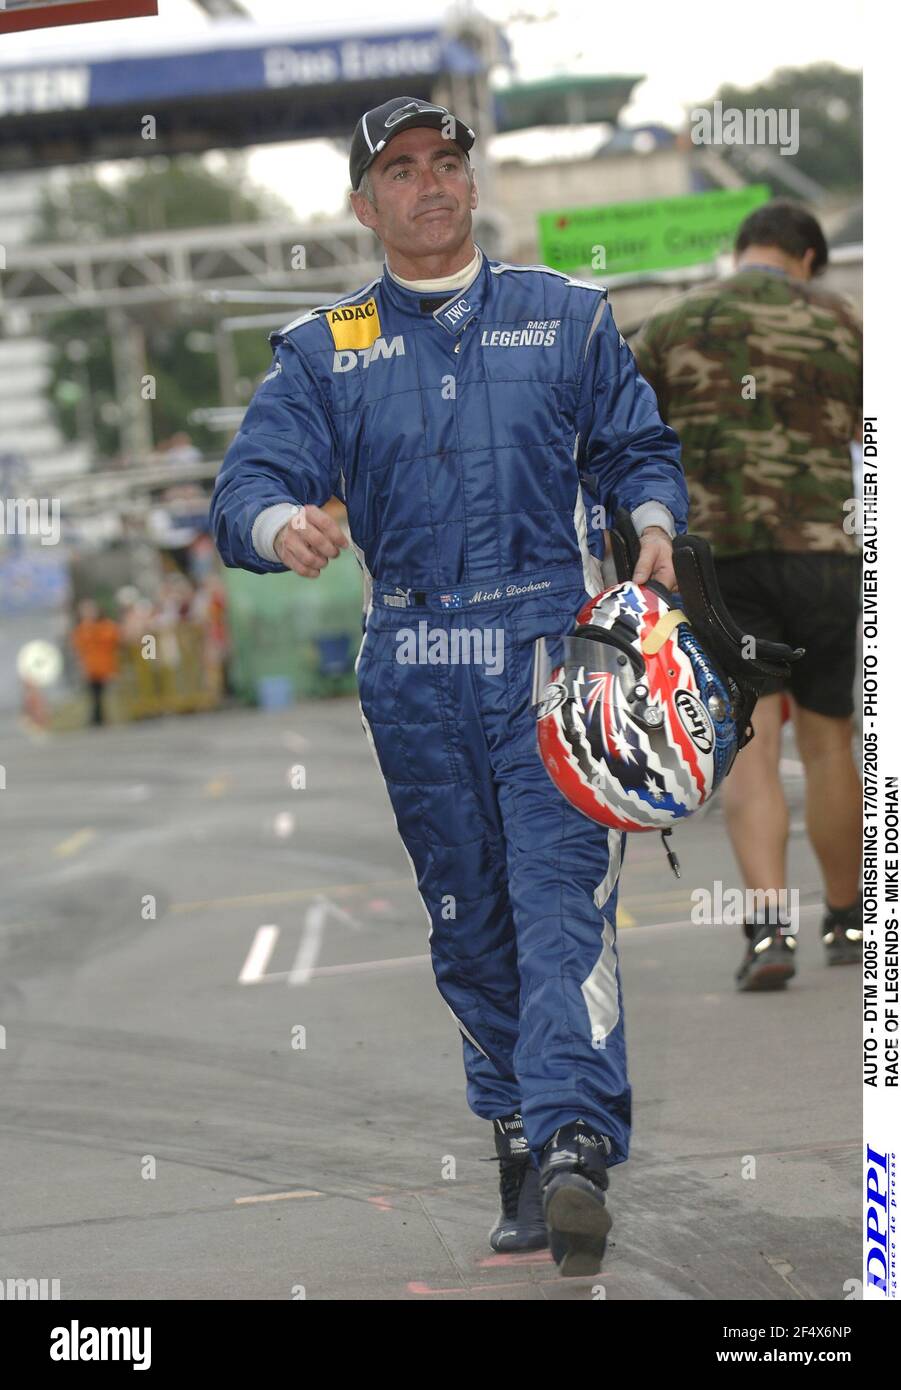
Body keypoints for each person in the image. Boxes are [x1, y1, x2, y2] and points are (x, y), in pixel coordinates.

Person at [210, 95, 687, 1275]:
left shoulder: (564, 315)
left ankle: (574, 1139)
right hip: (415, 662)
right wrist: (280, 527)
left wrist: (652, 522)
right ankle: (517, 1130)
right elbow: (246, 486)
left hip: (547, 644)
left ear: (470, 184)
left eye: (444, 163)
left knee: (558, 895)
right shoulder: (326, 348)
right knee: (469, 913)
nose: (428, 184)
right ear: (364, 205)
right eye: (401, 171)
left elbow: (636, 444)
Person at [633, 199, 863, 990]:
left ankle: (768, 934)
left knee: (754, 745)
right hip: (828, 556)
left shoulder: (671, 323)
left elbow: (623, 434)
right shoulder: (847, 320)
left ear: (743, 251)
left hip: (718, 564)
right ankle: (847, 916)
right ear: (805, 258)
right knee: (831, 740)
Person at [70, 598, 121, 727]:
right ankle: (96, 718)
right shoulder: (81, 630)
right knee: (93, 695)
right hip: (90, 667)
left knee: (105, 693)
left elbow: (114, 641)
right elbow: (78, 649)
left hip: (104, 665)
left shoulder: (106, 626)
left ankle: (106, 717)